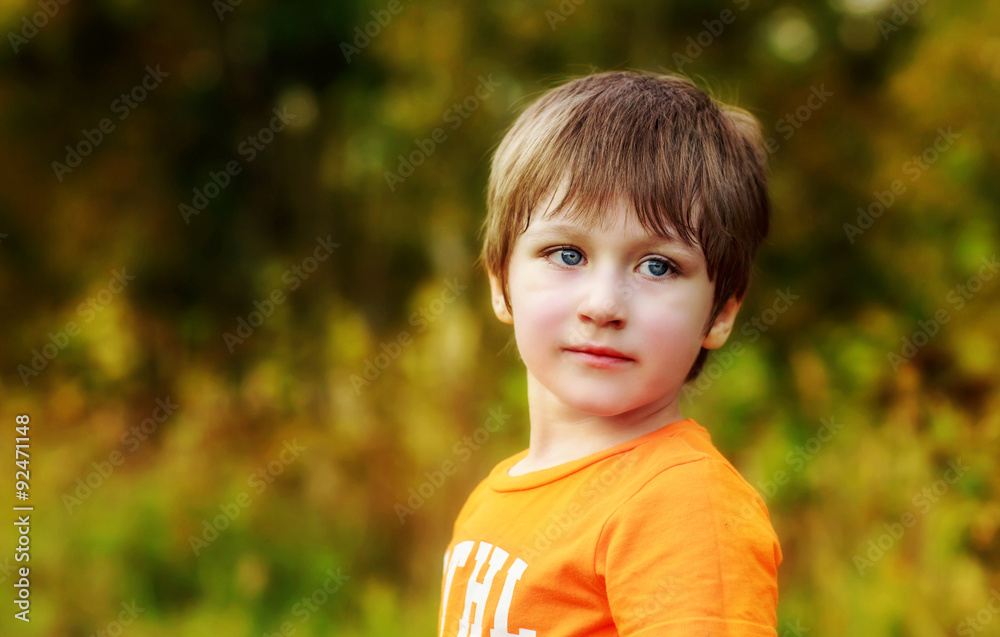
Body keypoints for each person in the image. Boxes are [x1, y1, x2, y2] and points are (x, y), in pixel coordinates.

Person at [438, 70, 781, 636]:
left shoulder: (683, 505)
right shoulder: (489, 501)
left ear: (720, 312)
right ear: (500, 281)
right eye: (567, 254)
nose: (603, 305)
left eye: (658, 266)